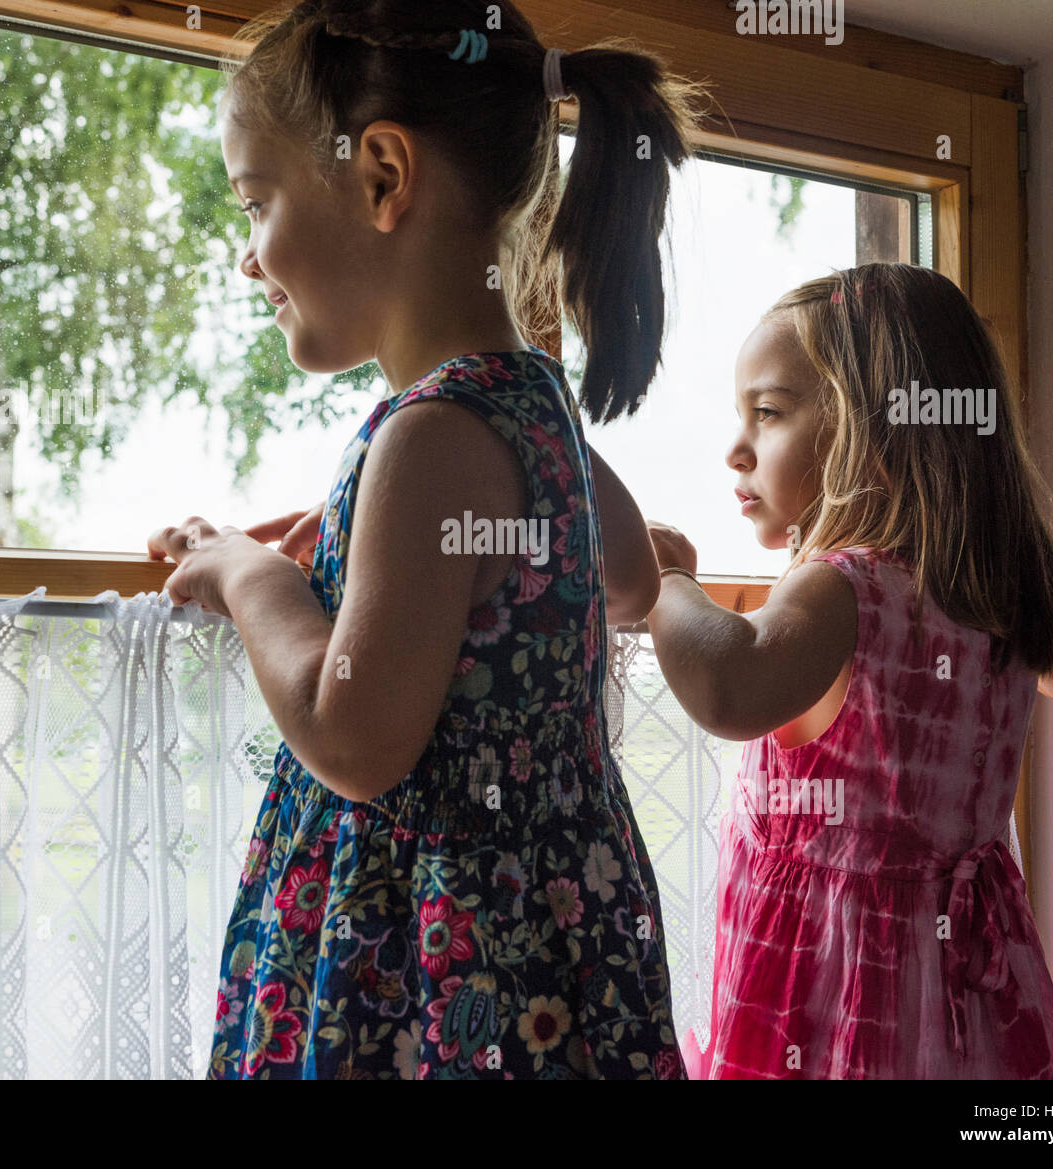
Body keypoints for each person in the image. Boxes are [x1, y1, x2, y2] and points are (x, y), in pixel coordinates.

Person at [146, 0, 708, 1079]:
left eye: (255, 203)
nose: (246, 257)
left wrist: (250, 574)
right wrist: (360, 561)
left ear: (382, 177)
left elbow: (354, 740)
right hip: (562, 947)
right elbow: (631, 577)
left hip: (437, 983)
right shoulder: (534, 405)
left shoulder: (430, 435)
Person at [644, 262, 1053, 1078]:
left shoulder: (843, 588)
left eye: (767, 413)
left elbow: (728, 683)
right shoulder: (995, 606)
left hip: (842, 1015)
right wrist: (1034, 605)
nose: (735, 449)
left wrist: (668, 585)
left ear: (872, 428)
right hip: (979, 1004)